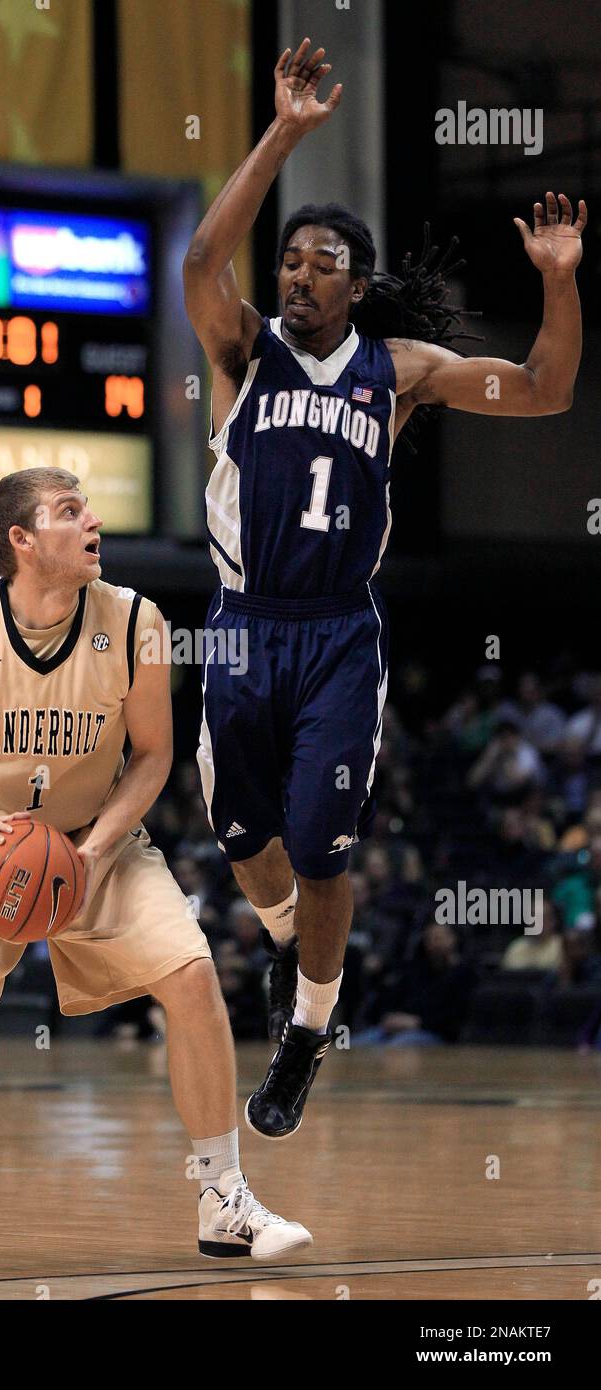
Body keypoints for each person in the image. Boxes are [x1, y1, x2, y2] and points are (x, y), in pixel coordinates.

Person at [183, 35, 587, 1138]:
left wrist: (557, 285)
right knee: (242, 839)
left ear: (357, 287)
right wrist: (285, 132)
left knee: (321, 850)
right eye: (292, 259)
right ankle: (281, 950)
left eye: (321, 262)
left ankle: (307, 1032)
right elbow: (200, 262)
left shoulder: (397, 371)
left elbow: (549, 391)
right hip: (238, 628)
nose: (297, 273)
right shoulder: (242, 353)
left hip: (336, 638)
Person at [0, 467, 310, 1280]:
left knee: (193, 974)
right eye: (69, 512)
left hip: (93, 839)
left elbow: (153, 757)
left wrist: (98, 845)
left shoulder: (136, 621)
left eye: (88, 508)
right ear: (21, 542)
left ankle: (223, 1198)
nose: (92, 521)